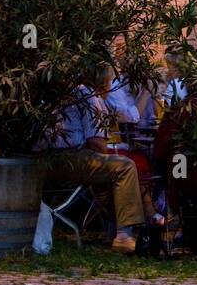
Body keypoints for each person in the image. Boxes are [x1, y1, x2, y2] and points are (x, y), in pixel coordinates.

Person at [41, 67, 151, 254]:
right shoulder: (89, 95)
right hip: (68, 158)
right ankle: (125, 235)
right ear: (104, 83)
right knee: (124, 166)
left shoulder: (69, 91)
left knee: (113, 166)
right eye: (110, 82)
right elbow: (97, 143)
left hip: (46, 160)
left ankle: (118, 227)